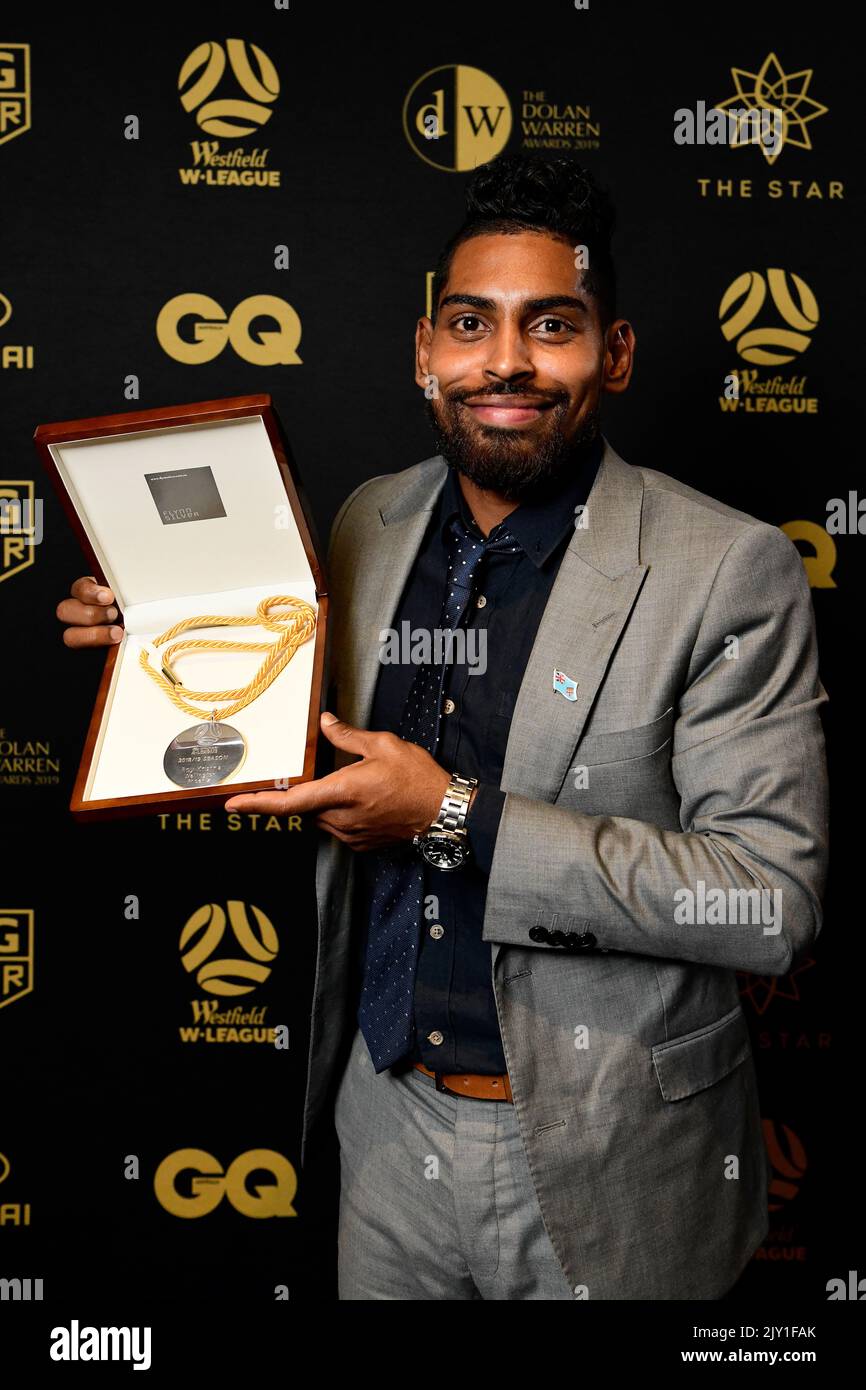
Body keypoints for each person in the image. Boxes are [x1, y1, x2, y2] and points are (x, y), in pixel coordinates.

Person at [57, 154, 829, 1301]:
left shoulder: (725, 570)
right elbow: (299, 719)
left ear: (611, 355)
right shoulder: (370, 519)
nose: (504, 361)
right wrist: (163, 637)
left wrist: (454, 819)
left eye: (550, 325)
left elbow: (770, 900)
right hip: (381, 1125)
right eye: (470, 324)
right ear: (426, 352)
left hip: (606, 1150)